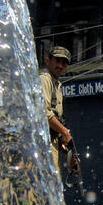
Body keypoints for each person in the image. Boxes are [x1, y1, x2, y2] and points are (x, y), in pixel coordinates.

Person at [39, 45, 73, 174]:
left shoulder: (57, 84)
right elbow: (44, 113)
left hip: (51, 142)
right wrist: (65, 132)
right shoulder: (44, 79)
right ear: (48, 61)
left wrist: (68, 154)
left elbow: (57, 119)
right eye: (57, 61)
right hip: (42, 143)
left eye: (64, 63)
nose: (60, 66)